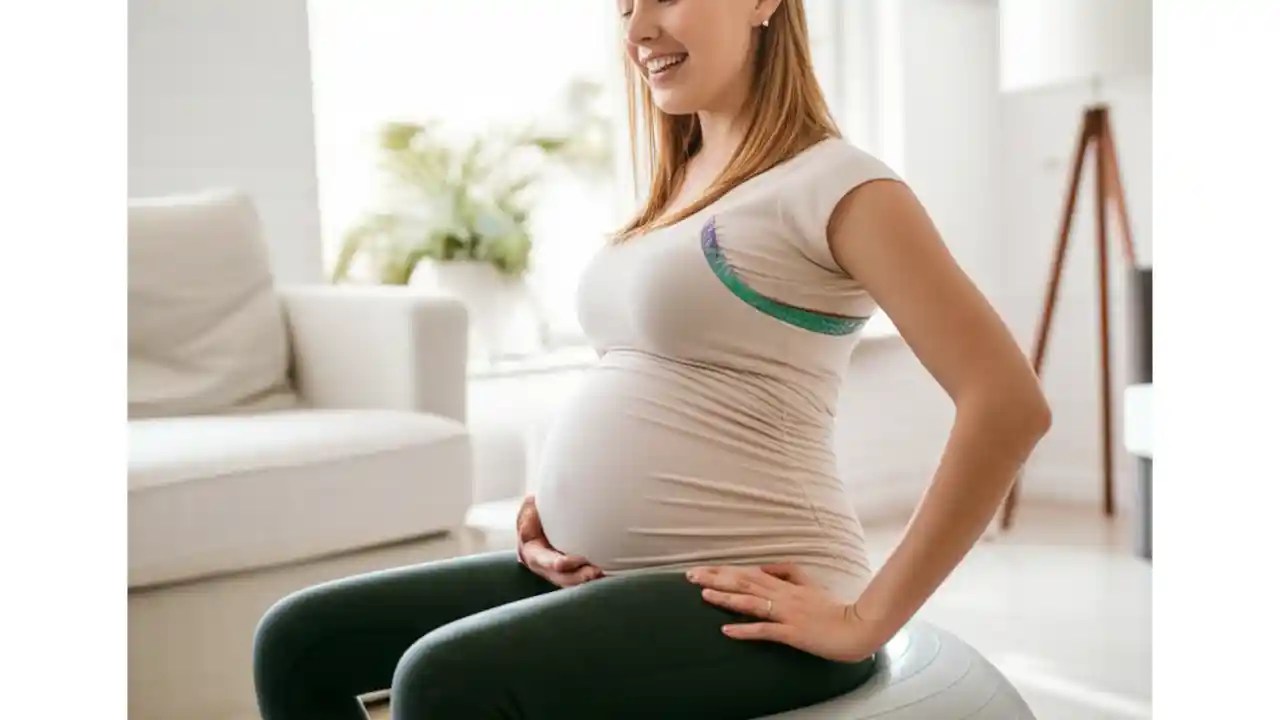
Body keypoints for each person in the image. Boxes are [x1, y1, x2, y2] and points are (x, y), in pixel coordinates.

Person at [252, 1, 1052, 717]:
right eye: (624, 4)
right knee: (300, 641)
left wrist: (865, 618)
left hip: (744, 597)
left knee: (441, 683)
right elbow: (663, 381)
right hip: (602, 575)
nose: (635, 30)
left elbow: (1007, 402)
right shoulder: (675, 189)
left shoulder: (840, 184)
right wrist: (555, 509)